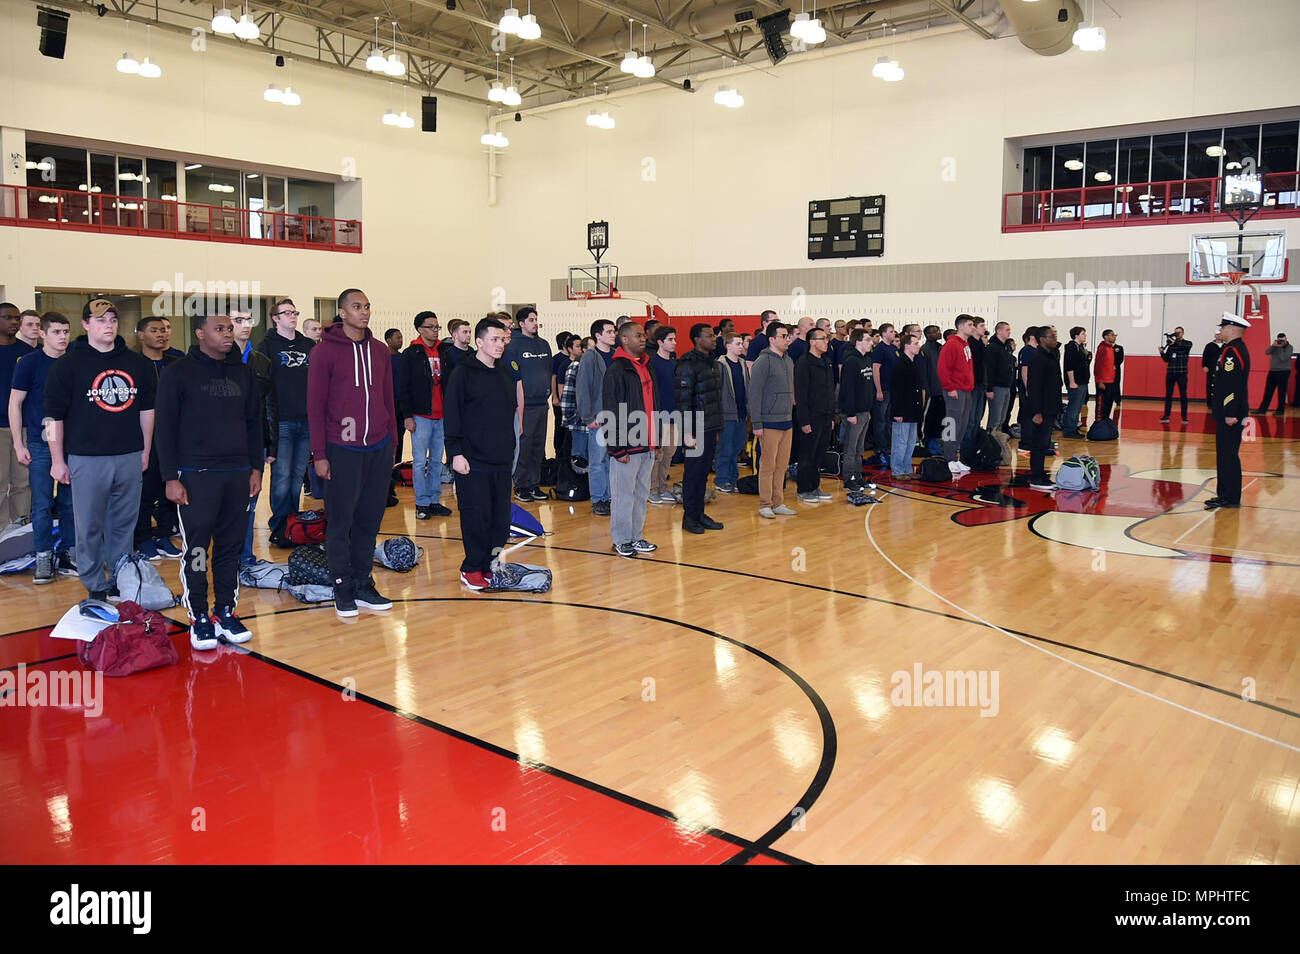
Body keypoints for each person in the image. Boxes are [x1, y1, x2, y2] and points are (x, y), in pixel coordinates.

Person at [156, 313, 262, 649]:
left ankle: (225, 611)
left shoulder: (244, 373)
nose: (228, 334)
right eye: (220, 329)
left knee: (230, 548)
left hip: (237, 474)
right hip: (196, 475)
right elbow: (165, 430)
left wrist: (255, 468)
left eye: (230, 329)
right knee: (199, 548)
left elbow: (254, 424)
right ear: (200, 333)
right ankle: (199, 613)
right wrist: (170, 477)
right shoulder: (178, 373)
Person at [42, 299, 156, 600]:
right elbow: (53, 417)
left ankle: (120, 576)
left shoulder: (138, 363)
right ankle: (94, 584)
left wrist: (144, 451)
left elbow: (147, 411)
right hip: (86, 458)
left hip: (128, 455)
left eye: (112, 320)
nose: (108, 325)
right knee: (89, 526)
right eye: (101, 320)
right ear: (86, 325)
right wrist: (57, 460)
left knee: (123, 526)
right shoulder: (67, 366)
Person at [308, 289, 395, 618]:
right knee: (341, 521)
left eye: (368, 306)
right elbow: (315, 406)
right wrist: (320, 453)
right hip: (341, 448)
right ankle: (341, 585)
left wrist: (392, 443)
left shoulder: (380, 351)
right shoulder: (324, 353)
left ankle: (362, 582)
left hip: (378, 447)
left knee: (369, 519)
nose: (364, 312)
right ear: (342, 313)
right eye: (357, 307)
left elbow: (388, 398)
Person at [445, 317, 515, 589]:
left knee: (500, 519)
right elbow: (453, 415)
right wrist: (456, 453)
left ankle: (490, 564)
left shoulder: (504, 372)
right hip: (472, 460)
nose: (500, 345)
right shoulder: (463, 373)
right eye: (495, 340)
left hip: (501, 459)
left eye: (503, 339)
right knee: (477, 516)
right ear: (480, 342)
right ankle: (472, 567)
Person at [8, 312, 77, 583]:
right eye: (56, 332)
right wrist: (17, 442)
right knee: (42, 503)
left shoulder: (75, 362)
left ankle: (70, 554)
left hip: (73, 442)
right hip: (39, 442)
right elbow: (15, 404)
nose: (62, 337)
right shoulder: (29, 363)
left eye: (66, 332)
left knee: (71, 503)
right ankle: (43, 556)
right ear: (43, 334)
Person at [258, 298, 314, 545]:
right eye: (287, 313)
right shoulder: (266, 346)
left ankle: (294, 521)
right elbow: (263, 387)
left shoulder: (309, 345)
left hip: (307, 420)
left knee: (298, 473)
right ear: (276, 318)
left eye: (295, 312)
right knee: (281, 475)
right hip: (281, 421)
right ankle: (280, 523)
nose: (292, 316)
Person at [602, 322, 659, 557]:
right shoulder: (617, 370)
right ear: (624, 339)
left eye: (643, 335)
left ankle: (636, 537)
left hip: (648, 443)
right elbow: (611, 410)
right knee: (623, 495)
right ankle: (621, 539)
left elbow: (654, 403)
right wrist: (617, 448)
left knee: (640, 494)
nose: (643, 338)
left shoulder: (647, 366)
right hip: (627, 446)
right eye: (637, 335)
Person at [130, 316, 183, 560]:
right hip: (141, 438)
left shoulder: (176, 364)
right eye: (154, 330)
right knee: (143, 492)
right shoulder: (133, 364)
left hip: (173, 438)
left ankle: (164, 534)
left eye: (163, 330)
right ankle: (142, 538)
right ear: (141, 335)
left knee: (168, 488)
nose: (161, 334)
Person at [231, 309, 276, 566]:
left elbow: (270, 405)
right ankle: (226, 558)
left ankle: (245, 557)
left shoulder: (261, 361)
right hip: (224, 446)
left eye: (248, 320)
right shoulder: (217, 359)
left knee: (249, 503)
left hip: (255, 443)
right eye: (238, 320)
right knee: (226, 506)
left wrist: (272, 444)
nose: (245, 325)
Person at [398, 311, 453, 520]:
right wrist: (407, 415)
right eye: (431, 326)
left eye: (437, 327)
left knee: (437, 461)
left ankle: (433, 499)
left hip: (442, 415)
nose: (435, 330)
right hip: (421, 416)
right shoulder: (411, 353)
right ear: (420, 329)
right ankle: (421, 502)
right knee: (420, 461)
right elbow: (403, 387)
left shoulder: (444, 351)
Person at [674, 323, 724, 534]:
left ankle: (699, 513)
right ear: (697, 339)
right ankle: (689, 517)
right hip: (695, 429)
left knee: (703, 473)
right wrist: (687, 433)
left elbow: (714, 398)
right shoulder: (687, 364)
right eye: (709, 336)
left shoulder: (712, 363)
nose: (714, 339)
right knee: (693, 474)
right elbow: (683, 402)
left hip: (710, 426)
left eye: (714, 336)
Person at [504, 307, 552, 503]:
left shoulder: (544, 344)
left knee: (538, 447)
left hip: (542, 404)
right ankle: (521, 485)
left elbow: (548, 370)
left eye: (536, 319)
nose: (535, 322)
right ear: (521, 324)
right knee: (524, 445)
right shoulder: (513, 346)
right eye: (531, 320)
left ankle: (534, 484)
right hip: (526, 405)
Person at [749, 324, 796, 519]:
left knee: (782, 466)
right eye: (783, 336)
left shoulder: (789, 360)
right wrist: (757, 424)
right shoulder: (763, 361)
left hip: (786, 421)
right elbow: (754, 393)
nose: (787, 339)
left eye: (788, 336)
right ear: (772, 339)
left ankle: (778, 502)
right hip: (769, 423)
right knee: (767, 465)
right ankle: (765, 504)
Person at [1206, 313, 1251, 511]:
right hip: (1228, 411)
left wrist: (1230, 412)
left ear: (1232, 329)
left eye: (1223, 328)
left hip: (1231, 413)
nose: (1220, 331)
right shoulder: (1230, 349)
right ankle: (1225, 495)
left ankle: (1230, 497)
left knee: (1228, 455)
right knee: (1224, 455)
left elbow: (1232, 385)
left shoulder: (1233, 351)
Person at [577, 319, 617, 516]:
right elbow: (583, 388)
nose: (613, 335)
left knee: (612, 459)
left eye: (614, 331)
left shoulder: (617, 355)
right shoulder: (590, 358)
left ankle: (609, 496)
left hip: (616, 416)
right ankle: (598, 499)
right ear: (598, 336)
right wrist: (587, 416)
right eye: (609, 332)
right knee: (597, 461)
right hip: (598, 417)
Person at [0, 301, 35, 525]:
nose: (14, 322)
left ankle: (20, 529)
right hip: (0, 428)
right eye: (8, 317)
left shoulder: (28, 353)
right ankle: (2, 532)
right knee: (1, 483)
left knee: (23, 482)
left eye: (16, 318)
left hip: (23, 427)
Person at [794, 327, 834, 503]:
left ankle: (814, 486)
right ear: (812, 342)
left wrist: (832, 416)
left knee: (819, 454)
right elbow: (801, 394)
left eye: (827, 338)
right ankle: (804, 489)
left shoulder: (826, 361)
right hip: (811, 416)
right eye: (823, 338)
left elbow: (829, 391)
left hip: (826, 415)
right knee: (807, 455)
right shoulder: (804, 362)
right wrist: (804, 420)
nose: (826, 342)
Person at [1023, 325, 1063, 491]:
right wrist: (1036, 411)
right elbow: (1033, 388)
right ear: (1042, 339)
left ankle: (1040, 474)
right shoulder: (1038, 359)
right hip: (1042, 409)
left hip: (1051, 407)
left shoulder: (1051, 355)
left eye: (1055, 336)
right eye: (1051, 337)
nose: (1055, 340)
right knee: (1039, 444)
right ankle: (1037, 477)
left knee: (1044, 442)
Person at [938, 315, 976, 475]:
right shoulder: (951, 344)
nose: (973, 327)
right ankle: (949, 458)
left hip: (966, 390)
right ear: (961, 326)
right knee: (952, 424)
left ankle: (955, 456)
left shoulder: (966, 344)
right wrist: (949, 387)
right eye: (970, 324)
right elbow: (943, 368)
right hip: (955, 390)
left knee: (962, 425)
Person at [838, 328, 875, 492]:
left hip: (865, 411)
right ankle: (849, 478)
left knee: (860, 448)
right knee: (851, 448)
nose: (871, 342)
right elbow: (848, 389)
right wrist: (850, 413)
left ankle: (858, 476)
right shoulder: (851, 360)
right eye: (867, 339)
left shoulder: (866, 359)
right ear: (858, 341)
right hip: (854, 412)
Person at [714, 332, 750, 494]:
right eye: (737, 344)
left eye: (741, 343)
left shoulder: (742, 364)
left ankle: (733, 478)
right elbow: (716, 392)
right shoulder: (720, 365)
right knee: (725, 448)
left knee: (737, 448)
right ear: (728, 346)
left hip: (741, 413)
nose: (741, 346)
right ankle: (722, 480)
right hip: (726, 414)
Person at [648, 325, 678, 504]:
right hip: (658, 416)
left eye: (674, 339)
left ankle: (662, 487)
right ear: (660, 342)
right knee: (656, 455)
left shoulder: (675, 363)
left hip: (674, 415)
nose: (674, 343)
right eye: (670, 340)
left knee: (668, 454)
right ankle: (652, 490)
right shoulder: (652, 363)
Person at [890, 333, 925, 479]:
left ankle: (907, 467)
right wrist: (897, 412)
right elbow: (897, 390)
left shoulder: (914, 363)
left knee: (911, 442)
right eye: (915, 343)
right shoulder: (899, 364)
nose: (918, 346)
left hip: (913, 409)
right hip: (903, 410)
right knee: (900, 441)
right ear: (907, 346)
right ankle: (898, 469)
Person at [870, 324, 899, 464]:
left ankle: (888, 445)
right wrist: (879, 389)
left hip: (893, 389)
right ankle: (880, 447)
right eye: (891, 331)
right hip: (884, 389)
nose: (894, 333)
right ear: (884, 334)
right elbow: (876, 369)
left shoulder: (894, 349)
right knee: (880, 419)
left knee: (888, 419)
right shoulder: (880, 349)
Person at [985, 322, 1016, 438]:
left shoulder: (1004, 347)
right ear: (999, 331)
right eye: (1007, 330)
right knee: (995, 417)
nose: (1009, 332)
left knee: (1002, 418)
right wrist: (990, 388)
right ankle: (990, 441)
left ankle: (997, 441)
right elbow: (990, 369)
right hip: (997, 386)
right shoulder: (992, 348)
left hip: (1006, 386)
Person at [1159, 326, 1192, 424]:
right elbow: (1166, 359)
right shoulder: (1171, 346)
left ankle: (1184, 417)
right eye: (1176, 333)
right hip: (1171, 373)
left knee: (1183, 395)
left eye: (1179, 333)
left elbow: (1184, 347)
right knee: (1168, 394)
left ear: (1183, 333)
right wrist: (1162, 353)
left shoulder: (1187, 343)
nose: (1177, 335)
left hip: (1182, 373)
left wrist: (1174, 342)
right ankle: (1166, 416)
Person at [1016, 326, 1040, 456]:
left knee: (1034, 415)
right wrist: (1028, 388)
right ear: (1032, 336)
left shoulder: (1036, 351)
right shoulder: (1027, 351)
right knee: (1027, 416)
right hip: (1028, 390)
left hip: (1036, 389)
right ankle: (1025, 444)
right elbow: (1024, 371)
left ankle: (1033, 441)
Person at [1062, 326, 1090, 437]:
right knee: (1073, 406)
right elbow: (1070, 365)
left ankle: (1073, 427)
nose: (1085, 335)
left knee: (1078, 406)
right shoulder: (1071, 347)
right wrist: (1072, 381)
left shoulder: (1080, 347)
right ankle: (1069, 429)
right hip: (1076, 382)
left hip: (1083, 381)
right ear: (1076, 335)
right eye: (1083, 333)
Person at [551, 332, 575, 459]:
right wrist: (555, 397)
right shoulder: (557, 359)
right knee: (559, 426)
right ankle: (558, 453)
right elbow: (553, 378)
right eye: (568, 339)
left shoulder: (576, 358)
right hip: (559, 399)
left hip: (571, 400)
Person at [1258, 332, 1292, 417]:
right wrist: (1273, 346)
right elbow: (1267, 352)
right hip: (1273, 371)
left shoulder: (1289, 347)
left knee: (1281, 392)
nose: (1281, 342)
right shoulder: (1275, 346)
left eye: (1282, 340)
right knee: (1268, 391)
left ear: (1286, 339)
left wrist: (1280, 347)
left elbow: (1283, 358)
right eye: (1279, 340)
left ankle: (1280, 410)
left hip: (1283, 371)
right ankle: (1262, 410)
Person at [1094, 329, 1119, 422]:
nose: (1114, 337)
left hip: (1110, 381)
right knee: (1101, 405)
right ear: (1106, 337)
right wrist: (1099, 380)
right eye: (1112, 335)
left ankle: (1105, 423)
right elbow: (1098, 365)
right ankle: (1099, 423)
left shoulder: (1111, 348)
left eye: (1114, 335)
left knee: (1108, 403)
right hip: (1103, 382)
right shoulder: (1102, 348)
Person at [1201, 331, 1222, 411]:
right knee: (1210, 385)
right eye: (1217, 334)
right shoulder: (1210, 346)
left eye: (1220, 334)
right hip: (1211, 368)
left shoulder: (1226, 345)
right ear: (1215, 336)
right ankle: (1210, 403)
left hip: (1222, 370)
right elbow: (1205, 356)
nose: (1218, 336)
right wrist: (1205, 366)